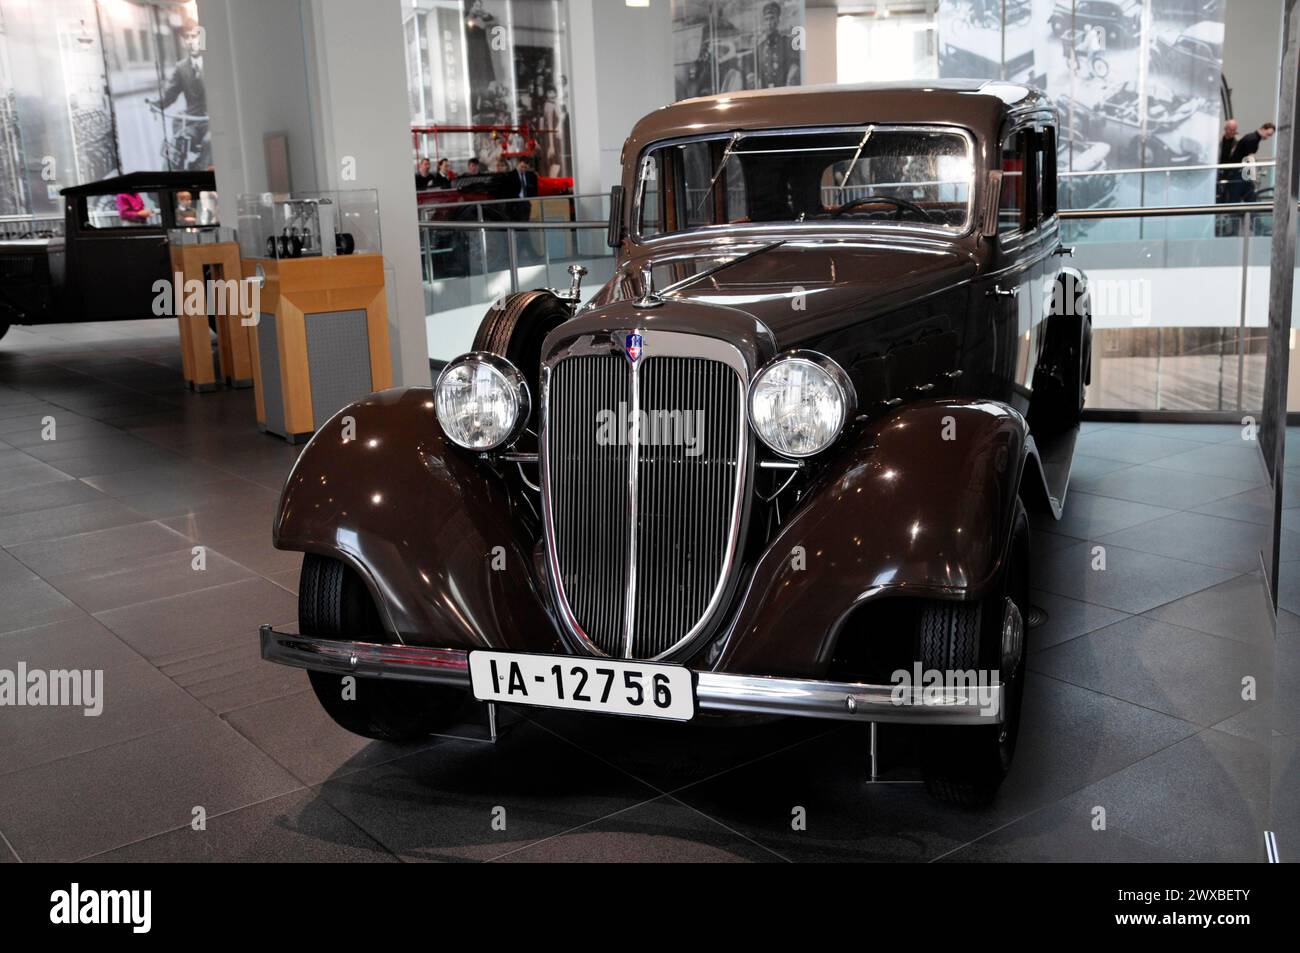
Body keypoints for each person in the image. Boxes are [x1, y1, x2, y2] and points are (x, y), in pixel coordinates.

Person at [148, 19, 209, 169]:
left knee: (210, 143)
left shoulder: (214, 62)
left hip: (213, 123)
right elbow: (170, 93)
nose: (190, 41)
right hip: (192, 122)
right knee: (179, 141)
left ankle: (200, 169)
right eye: (187, 37)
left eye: (194, 36)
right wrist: (156, 103)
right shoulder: (181, 67)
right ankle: (173, 179)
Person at [1226, 122, 1276, 202]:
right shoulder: (1253, 139)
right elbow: (1250, 159)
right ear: (1263, 129)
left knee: (1247, 195)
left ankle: (1248, 212)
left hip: (1239, 171)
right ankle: (1243, 213)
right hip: (1238, 172)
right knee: (1241, 196)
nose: (1268, 137)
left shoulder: (1252, 137)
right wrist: (1254, 175)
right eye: (1268, 134)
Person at [754, 2, 798, 89]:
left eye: (772, 18)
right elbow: (758, 74)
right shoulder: (760, 47)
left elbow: (795, 67)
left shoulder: (787, 43)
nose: (769, 23)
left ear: (778, 20)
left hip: (783, 93)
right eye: (766, 19)